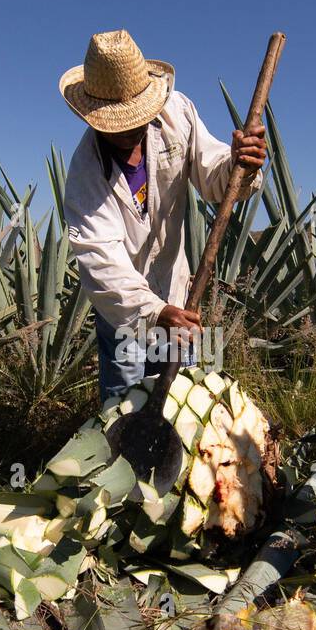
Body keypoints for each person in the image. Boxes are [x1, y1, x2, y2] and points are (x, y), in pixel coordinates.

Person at [60, 30, 266, 402]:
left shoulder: (178, 115)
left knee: (183, 403)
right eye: (116, 124)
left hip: (179, 293)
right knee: (124, 411)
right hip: (123, 312)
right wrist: (155, 312)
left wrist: (240, 164)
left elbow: (215, 176)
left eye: (135, 118)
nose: (128, 131)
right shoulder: (85, 175)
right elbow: (101, 261)